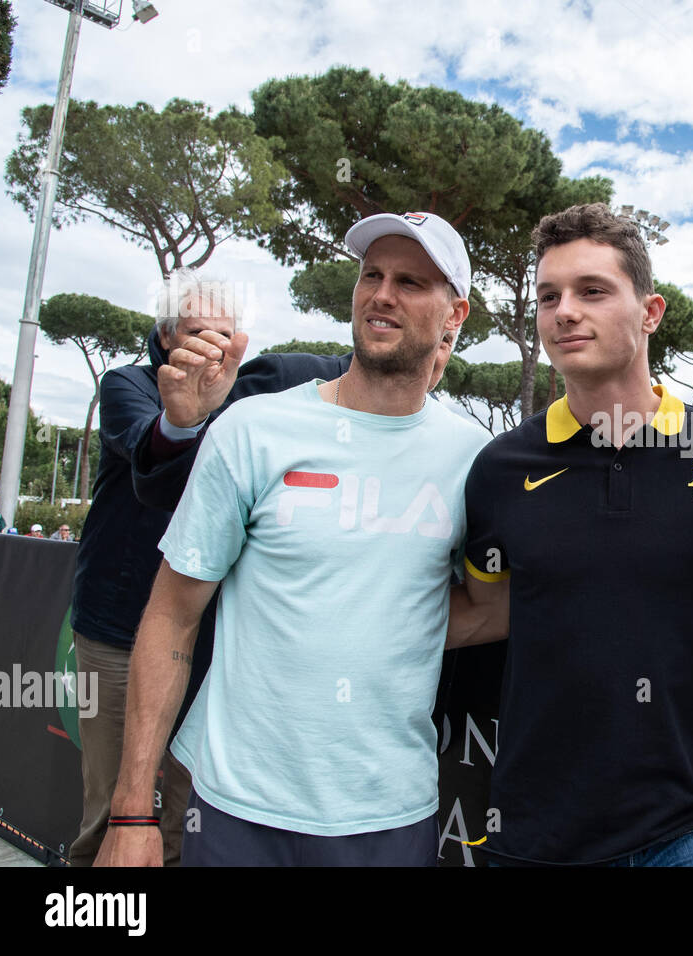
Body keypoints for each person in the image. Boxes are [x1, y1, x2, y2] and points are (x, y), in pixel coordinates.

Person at [96, 212, 491, 867]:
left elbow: (488, 606)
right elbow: (171, 616)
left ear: (456, 315)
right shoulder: (252, 429)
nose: (382, 294)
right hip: (233, 809)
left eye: (411, 282)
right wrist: (133, 812)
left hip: (391, 817)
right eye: (372, 275)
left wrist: (393, 621)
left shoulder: (475, 458)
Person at [456, 202, 693, 866]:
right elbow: (483, 611)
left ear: (650, 312)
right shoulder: (500, 468)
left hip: (686, 828)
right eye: (549, 296)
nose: (564, 311)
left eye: (592, 291)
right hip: (534, 832)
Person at [67, 270, 240, 868]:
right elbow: (147, 442)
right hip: (118, 632)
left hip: (205, 644)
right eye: (197, 332)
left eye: (224, 334)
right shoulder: (126, 385)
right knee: (114, 814)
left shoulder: (246, 403)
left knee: (185, 823)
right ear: (166, 336)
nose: (212, 347)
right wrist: (184, 418)